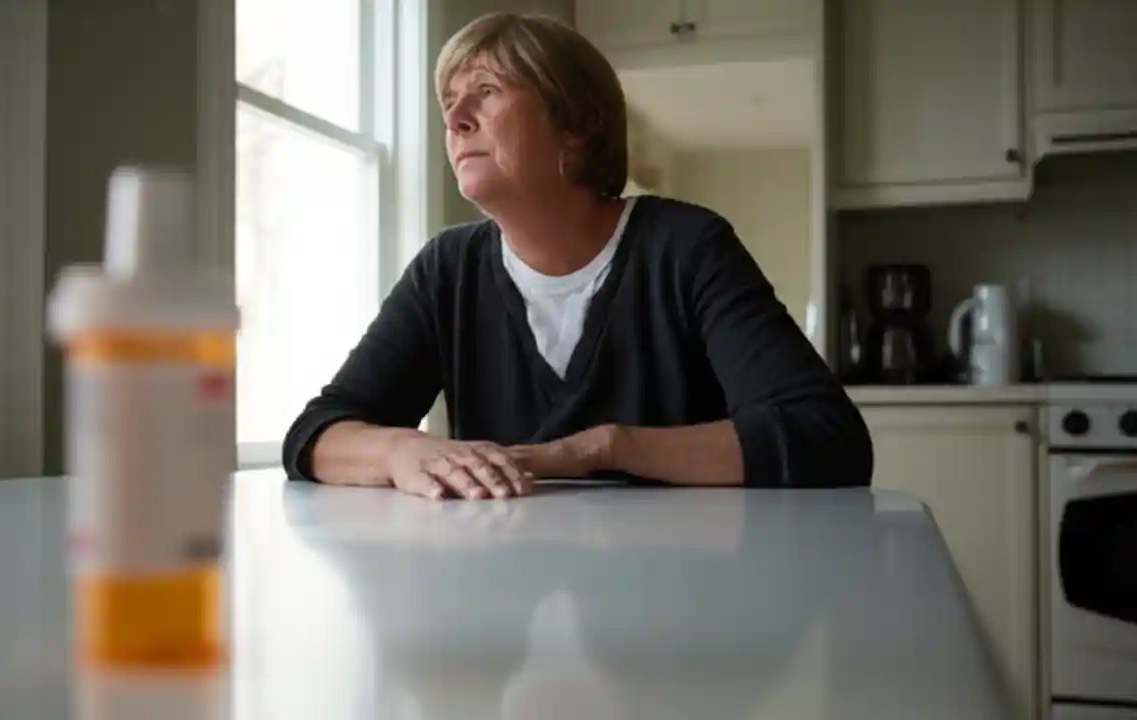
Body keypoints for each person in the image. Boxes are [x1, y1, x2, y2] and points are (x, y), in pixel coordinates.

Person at [282, 13, 872, 500]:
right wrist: (398, 450)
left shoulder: (686, 247)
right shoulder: (447, 269)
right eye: (450, 105)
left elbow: (827, 438)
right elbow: (314, 436)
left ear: (575, 127)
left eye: (486, 92)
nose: (457, 120)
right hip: (498, 608)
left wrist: (603, 449)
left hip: (681, 610)